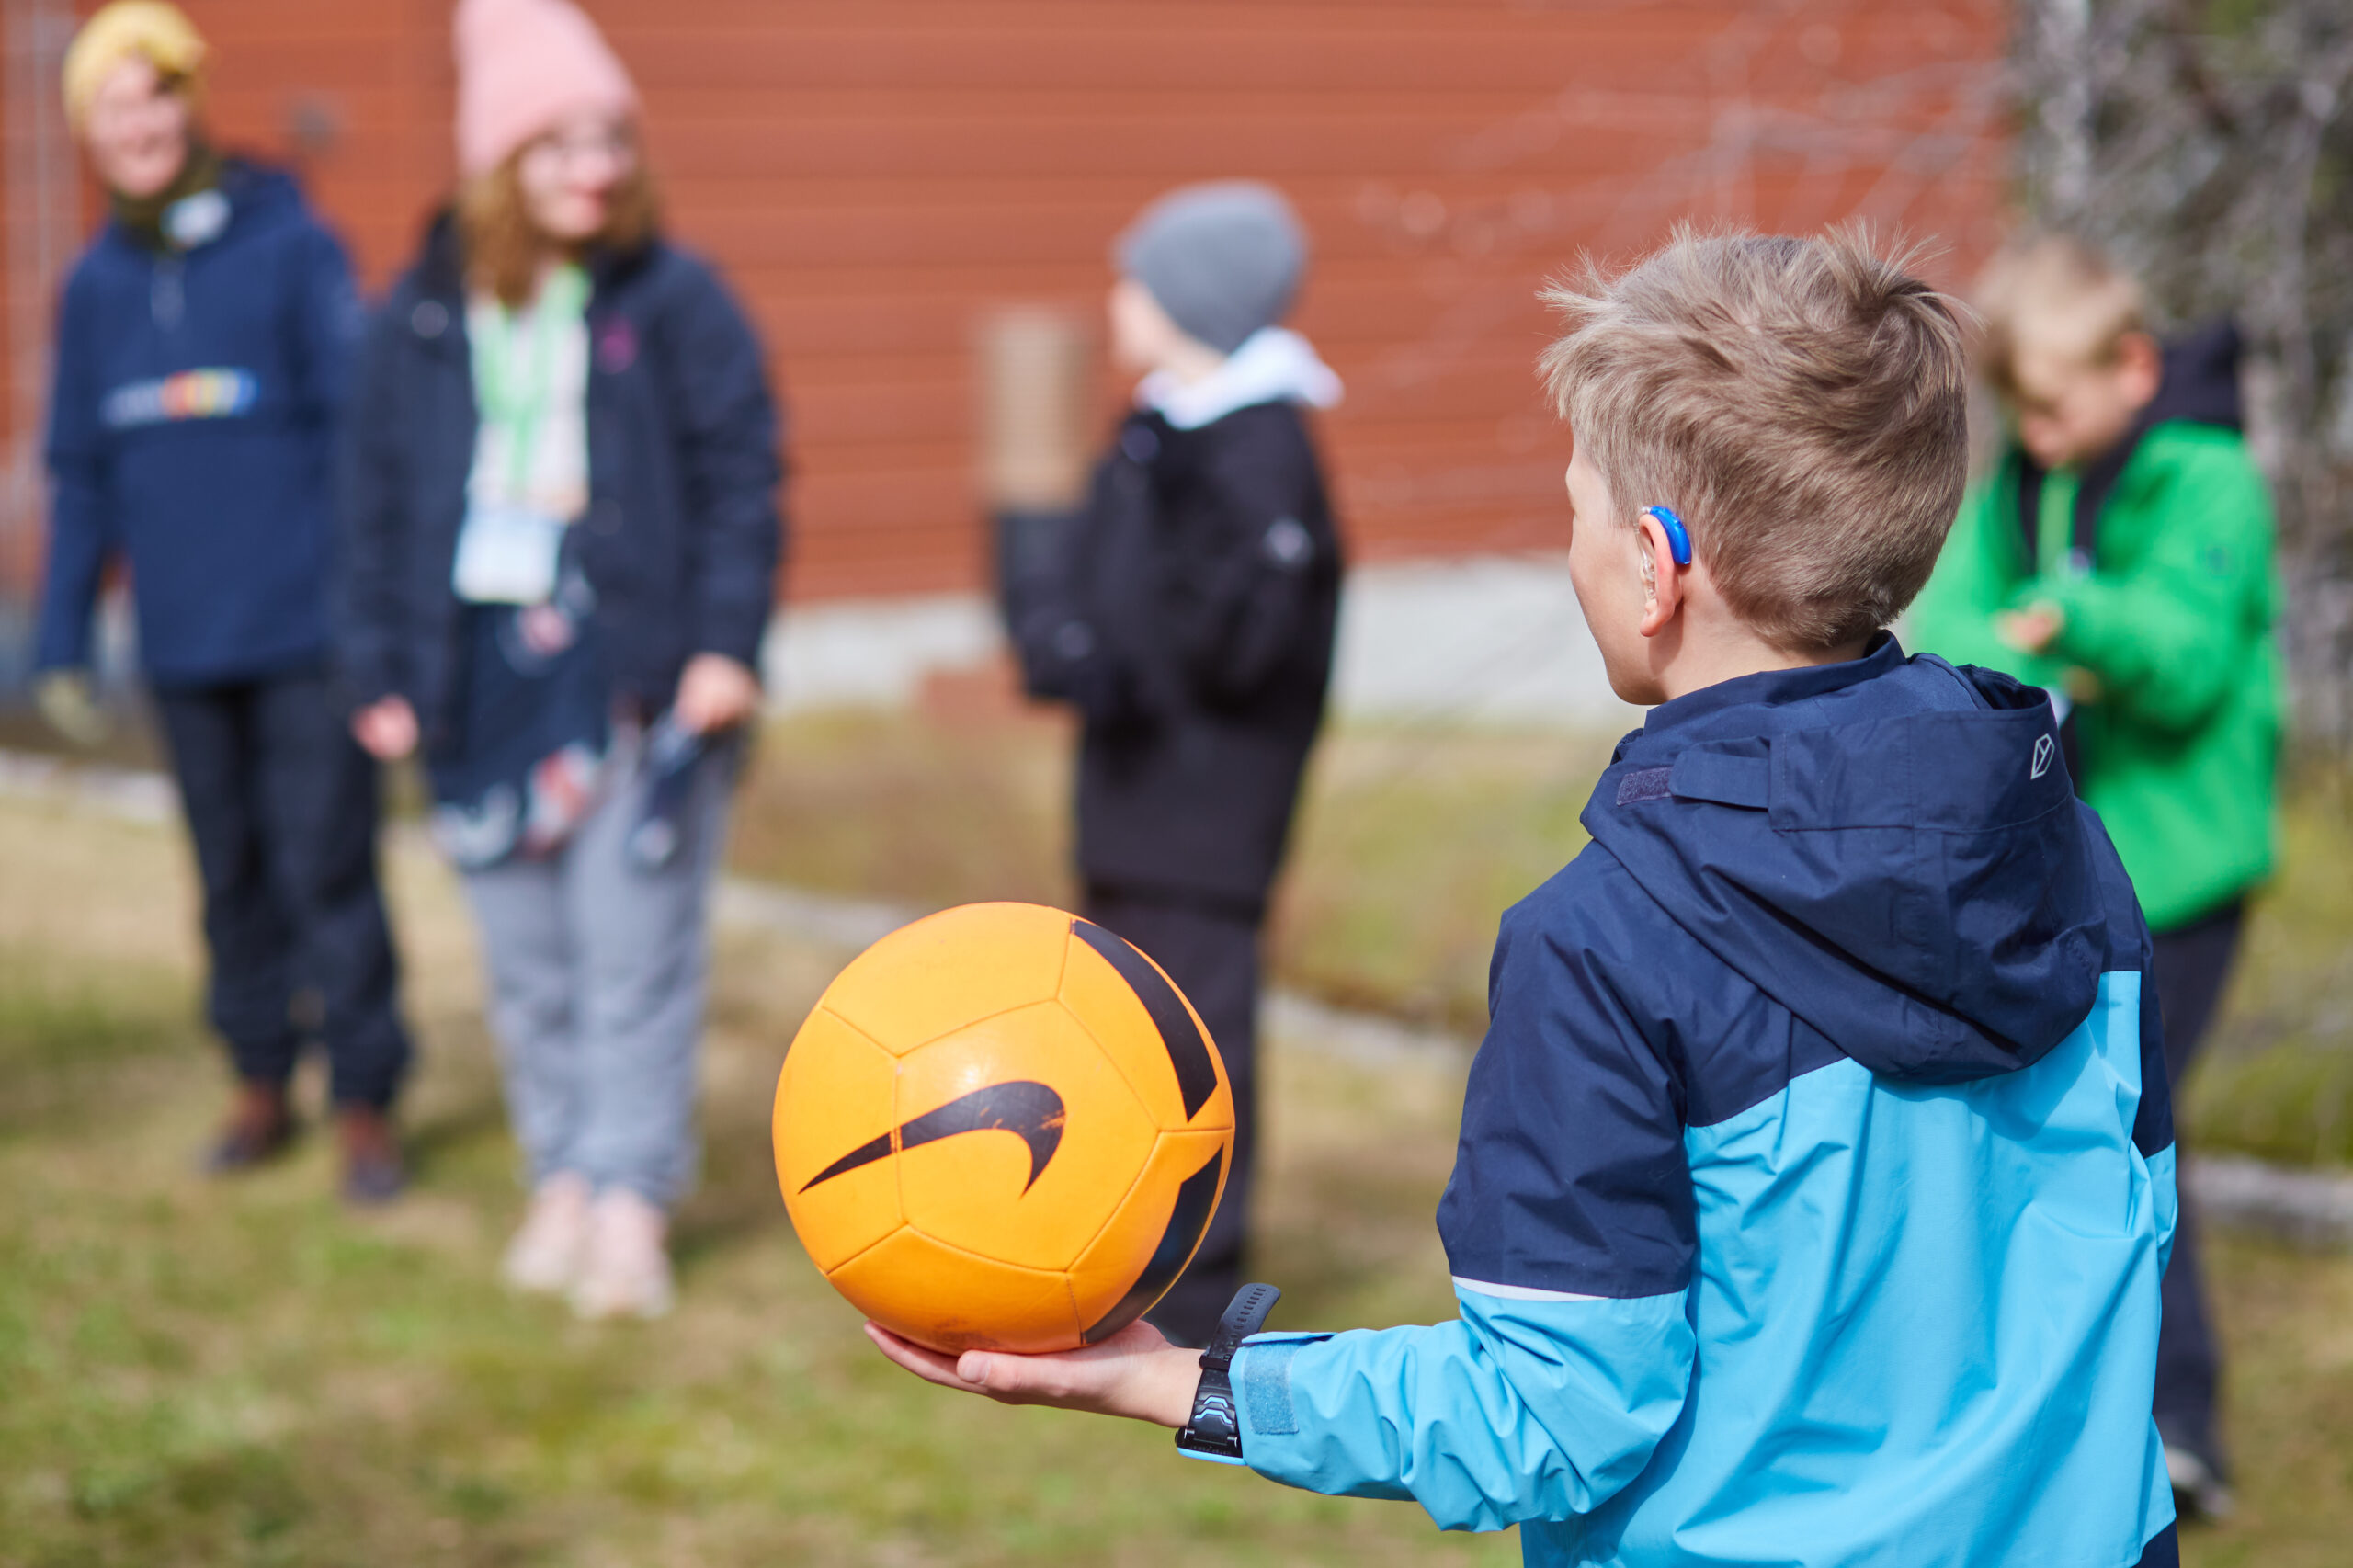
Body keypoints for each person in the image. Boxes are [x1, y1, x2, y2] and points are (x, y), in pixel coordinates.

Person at [875, 228, 2182, 1568]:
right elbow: (2127, 1232)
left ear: (1656, 565)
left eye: (1575, 508)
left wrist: (1177, 1380)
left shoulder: (1603, 945)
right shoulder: (2068, 847)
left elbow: (1547, 1419)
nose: (1572, 547)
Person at [336, 0, 783, 1319]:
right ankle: (563, 1179)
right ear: (497, 161)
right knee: (527, 963)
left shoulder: (677, 299)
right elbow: (365, 503)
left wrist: (725, 645)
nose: (593, 167)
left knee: (630, 953)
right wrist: (376, 668)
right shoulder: (417, 315)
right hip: (476, 681)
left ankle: (631, 1196)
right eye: (558, 143)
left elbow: (742, 478)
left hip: (632, 677)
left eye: (611, 139)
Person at [1908, 234, 2280, 1519]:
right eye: (2022, 414)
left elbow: (2186, 658)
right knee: (2065, 1130)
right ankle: (2075, 1405)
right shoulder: (2025, 481)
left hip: (2177, 879)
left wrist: (2082, 622)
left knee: (2129, 1137)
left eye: (2055, 407)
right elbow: (1951, 620)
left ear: (2131, 366)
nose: (2042, 436)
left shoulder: (2208, 480)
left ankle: (2179, 1425)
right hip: (2068, 872)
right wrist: (2020, 640)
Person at [32, 1, 411, 1202]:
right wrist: (63, 633)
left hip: (305, 636)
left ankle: (364, 1100)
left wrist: (369, 612)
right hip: (183, 645)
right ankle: (259, 1077)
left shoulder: (289, 242)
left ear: (190, 103)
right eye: (109, 108)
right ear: (87, 134)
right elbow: (80, 467)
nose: (135, 126)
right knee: (227, 871)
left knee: (328, 866)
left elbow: (358, 436)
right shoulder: (93, 288)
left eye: (153, 97)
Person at [996, 182, 1344, 1346]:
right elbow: (1108, 588)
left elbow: (1238, 640)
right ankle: (1120, 1244)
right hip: (1134, 797)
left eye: (1136, 280)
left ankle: (1204, 1294)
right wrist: (1065, 638)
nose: (1116, 300)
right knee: (1124, 1031)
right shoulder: (1162, 425)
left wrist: (1125, 652)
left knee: (1197, 1044)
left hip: (1207, 813)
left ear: (1192, 303)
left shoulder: (1254, 446)